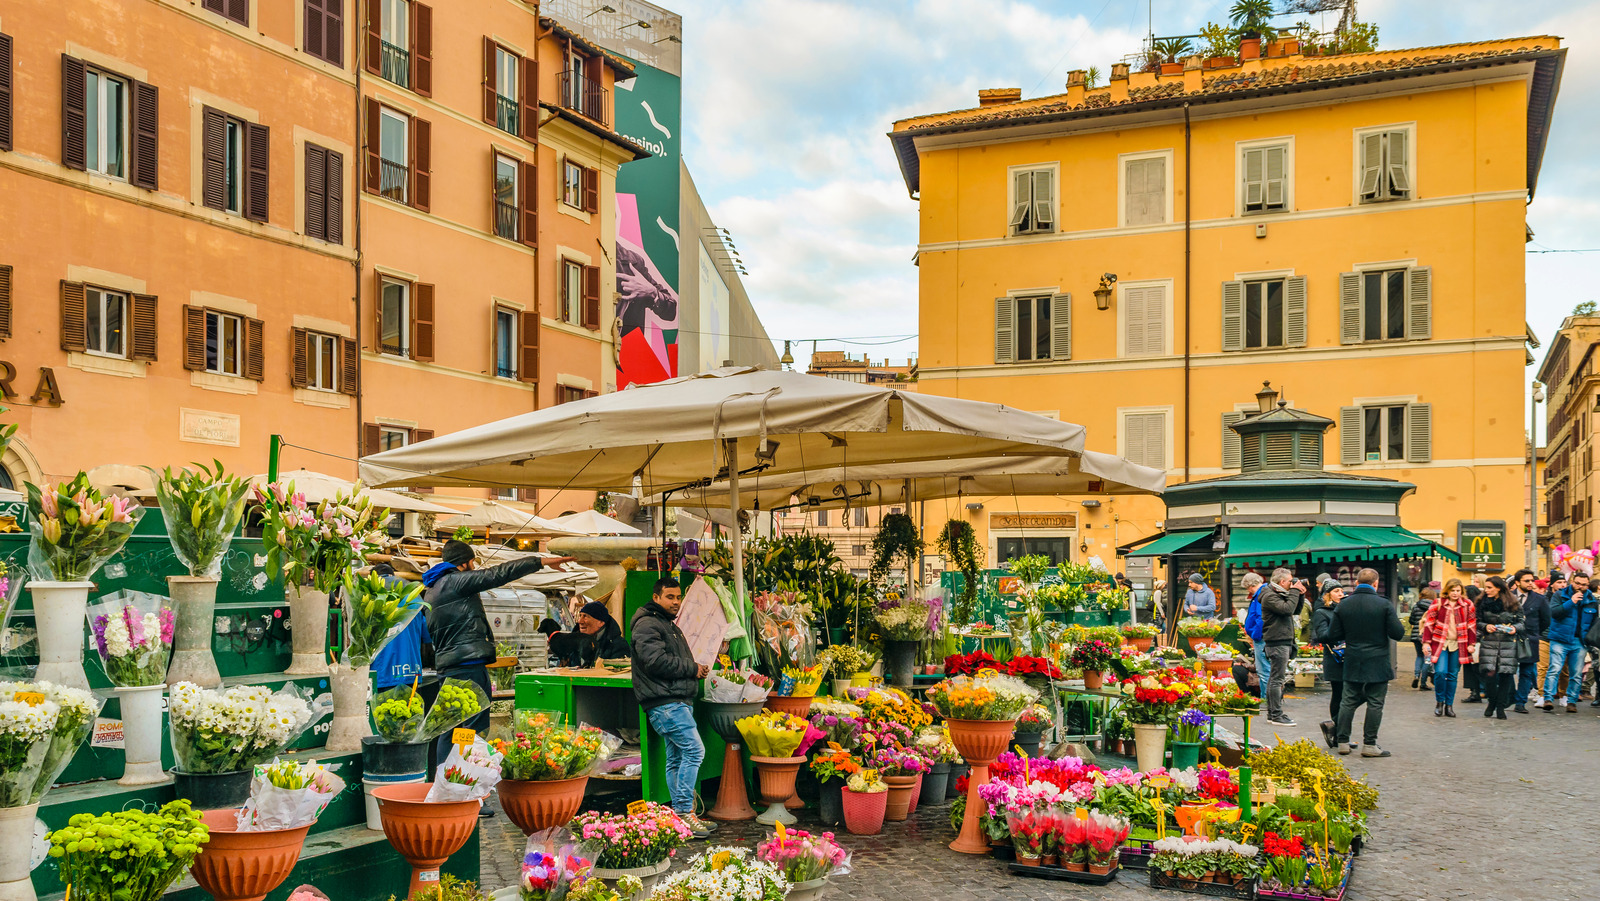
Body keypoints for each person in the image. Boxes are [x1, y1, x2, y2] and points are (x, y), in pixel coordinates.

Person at [424, 541, 574, 789]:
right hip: (468, 666)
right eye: (472, 563)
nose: (473, 568)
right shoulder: (456, 581)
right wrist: (541, 562)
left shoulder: (432, 589)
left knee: (452, 726)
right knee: (471, 728)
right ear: (464, 563)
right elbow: (498, 574)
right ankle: (464, 787)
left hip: (449, 668)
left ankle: (445, 785)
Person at [631, 576, 715, 838]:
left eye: (678, 597)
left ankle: (681, 816)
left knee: (677, 757)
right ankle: (683, 812)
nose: (676, 602)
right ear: (656, 597)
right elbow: (655, 661)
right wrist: (693, 668)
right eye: (670, 597)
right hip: (666, 702)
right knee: (694, 751)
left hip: (674, 700)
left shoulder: (666, 624)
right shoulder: (647, 624)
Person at [1326, 568, 1404, 758]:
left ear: (1356, 583)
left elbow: (1332, 634)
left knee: (1348, 701)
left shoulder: (1344, 605)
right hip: (1378, 660)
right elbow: (1398, 633)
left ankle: (1342, 742)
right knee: (1375, 703)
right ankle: (1370, 744)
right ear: (1376, 583)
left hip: (1353, 659)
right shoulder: (1383, 605)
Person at [1419, 578, 1477, 718]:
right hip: (1440, 642)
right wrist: (1426, 642)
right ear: (1447, 591)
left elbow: (1472, 625)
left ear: (1461, 591)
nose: (1455, 593)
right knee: (1440, 672)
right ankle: (1439, 702)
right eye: (1453, 590)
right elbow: (1429, 623)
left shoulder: (1468, 605)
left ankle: (1449, 705)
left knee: (1452, 675)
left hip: (1459, 643)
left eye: (1458, 591)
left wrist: (1471, 644)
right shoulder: (1438, 603)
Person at [1543, 570, 1598, 712]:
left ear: (1588, 585)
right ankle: (1548, 698)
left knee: (1576, 673)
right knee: (1554, 669)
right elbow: (1554, 613)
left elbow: (1594, 622)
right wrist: (1571, 602)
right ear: (1572, 581)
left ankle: (1572, 701)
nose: (1580, 587)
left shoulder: (1591, 600)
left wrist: (1589, 639)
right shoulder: (1560, 595)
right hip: (1559, 638)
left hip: (1579, 641)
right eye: (1578, 583)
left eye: (1584, 585)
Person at [371, 563, 431, 691]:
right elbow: (427, 635)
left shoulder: (371, 599)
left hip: (382, 673)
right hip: (411, 671)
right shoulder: (414, 600)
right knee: (409, 709)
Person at [1258, 568, 1305, 727]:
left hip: (1282, 640)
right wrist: (1294, 591)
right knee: (1277, 680)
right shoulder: (1269, 596)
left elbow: (1296, 610)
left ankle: (1273, 714)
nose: (1292, 583)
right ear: (1282, 582)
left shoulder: (1279, 594)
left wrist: (1300, 594)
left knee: (1274, 679)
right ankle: (1276, 714)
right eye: (1290, 581)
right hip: (1277, 641)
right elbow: (1287, 609)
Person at [1474, 576, 1522, 721]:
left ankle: (1500, 707)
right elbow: (1476, 621)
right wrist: (1485, 626)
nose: (1486, 590)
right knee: (1489, 676)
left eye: (1489, 587)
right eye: (1486, 587)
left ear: (1498, 588)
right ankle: (1492, 702)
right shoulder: (1481, 602)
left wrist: (1514, 628)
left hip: (1508, 644)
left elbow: (1522, 622)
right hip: (1489, 643)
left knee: (1506, 676)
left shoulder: (1513, 603)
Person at [1311, 578, 1346, 748]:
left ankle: (1339, 731)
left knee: (1351, 695)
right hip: (1335, 658)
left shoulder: (1346, 609)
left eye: (1341, 590)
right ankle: (1339, 733)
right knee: (1339, 694)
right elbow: (1323, 636)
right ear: (1327, 595)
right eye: (1336, 591)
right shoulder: (1321, 612)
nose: (1341, 594)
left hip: (1350, 657)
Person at [1510, 568, 1549, 713]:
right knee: (1507, 670)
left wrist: (1534, 633)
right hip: (1510, 638)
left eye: (1532, 580)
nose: (1531, 583)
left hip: (1530, 639)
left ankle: (1520, 702)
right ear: (1517, 582)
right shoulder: (1508, 597)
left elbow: (1546, 620)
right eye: (1527, 581)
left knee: (1526, 672)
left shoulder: (1540, 599)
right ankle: (1510, 696)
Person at [574, 601, 630, 667]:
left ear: (601, 622)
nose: (580, 621)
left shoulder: (618, 645)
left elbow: (617, 673)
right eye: (580, 616)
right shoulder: (573, 643)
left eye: (585, 616)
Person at [1240, 572, 1269, 698]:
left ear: (1250, 586)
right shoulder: (1263, 592)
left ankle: (1266, 699)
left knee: (1264, 671)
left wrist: (1255, 636)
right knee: (1266, 670)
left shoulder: (1260, 595)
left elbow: (1260, 618)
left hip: (1261, 639)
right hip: (1262, 637)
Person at [1407, 586, 1436, 690]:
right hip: (1428, 636)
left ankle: (1416, 676)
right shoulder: (1434, 606)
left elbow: (1411, 620)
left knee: (1419, 656)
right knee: (1427, 659)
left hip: (1416, 634)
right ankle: (1423, 683)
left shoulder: (1416, 606)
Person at [1461, 584, 1485, 703]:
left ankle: (1477, 691)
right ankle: (1477, 691)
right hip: (1472, 640)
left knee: (1473, 667)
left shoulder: (1472, 607)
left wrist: (1473, 639)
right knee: (1474, 667)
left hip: (1473, 641)